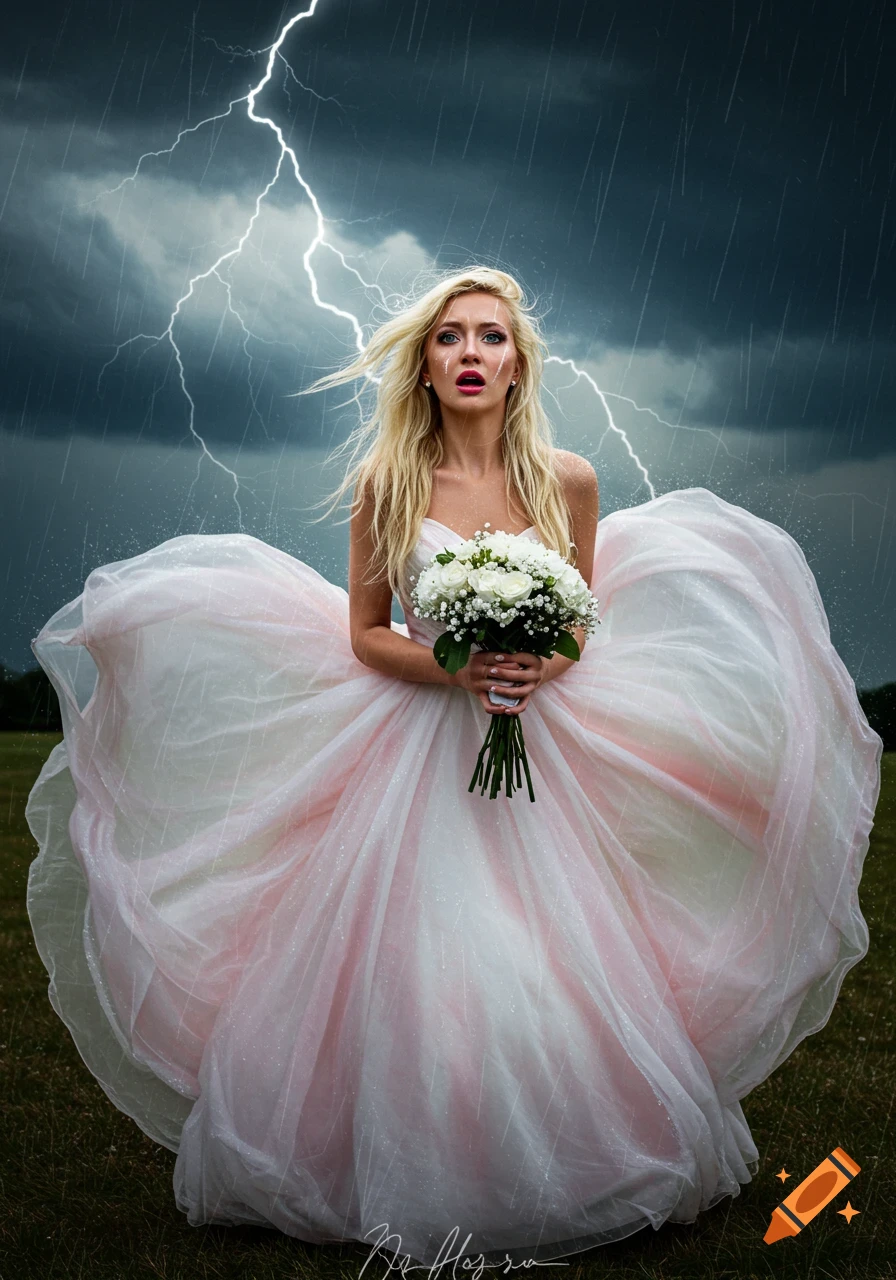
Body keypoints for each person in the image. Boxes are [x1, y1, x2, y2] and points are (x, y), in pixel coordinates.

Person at [24, 266, 881, 1268]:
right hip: (417, 746)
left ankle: (562, 1151)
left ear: (519, 365)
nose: (468, 353)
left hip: (539, 745)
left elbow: (578, 623)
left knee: (547, 947)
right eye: (447, 339)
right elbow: (362, 631)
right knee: (419, 948)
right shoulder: (389, 481)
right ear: (423, 368)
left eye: (489, 337)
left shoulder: (566, 481)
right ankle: (396, 1155)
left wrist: (533, 665)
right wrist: (457, 666)